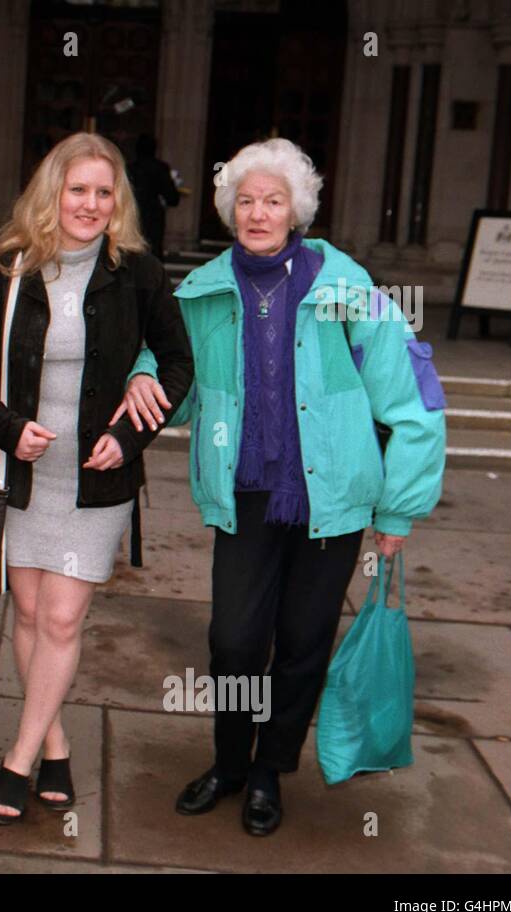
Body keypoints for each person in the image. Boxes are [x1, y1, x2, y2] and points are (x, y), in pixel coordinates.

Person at [117, 137, 447, 836]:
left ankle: (271, 770)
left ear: (296, 210)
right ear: (228, 209)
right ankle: (231, 762)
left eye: (273, 201)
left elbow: (413, 398)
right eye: (245, 200)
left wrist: (400, 507)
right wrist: (143, 371)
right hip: (245, 496)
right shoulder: (203, 290)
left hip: (332, 499)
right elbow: (169, 370)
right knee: (235, 640)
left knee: (302, 640)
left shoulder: (346, 287)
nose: (258, 213)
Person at [0, 133, 194, 823]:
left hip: (95, 479)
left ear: (119, 203)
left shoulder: (136, 271)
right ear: (52, 193)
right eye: (77, 189)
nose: (90, 204)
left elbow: (177, 364)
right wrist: (4, 425)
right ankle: (55, 742)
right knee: (27, 613)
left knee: (61, 614)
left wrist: (130, 433)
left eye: (103, 192)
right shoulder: (7, 268)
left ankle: (17, 759)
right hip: (22, 475)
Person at [127, 133, 180, 260]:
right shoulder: (160, 168)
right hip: (152, 216)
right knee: (152, 252)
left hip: (133, 214)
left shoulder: (130, 168)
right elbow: (172, 197)